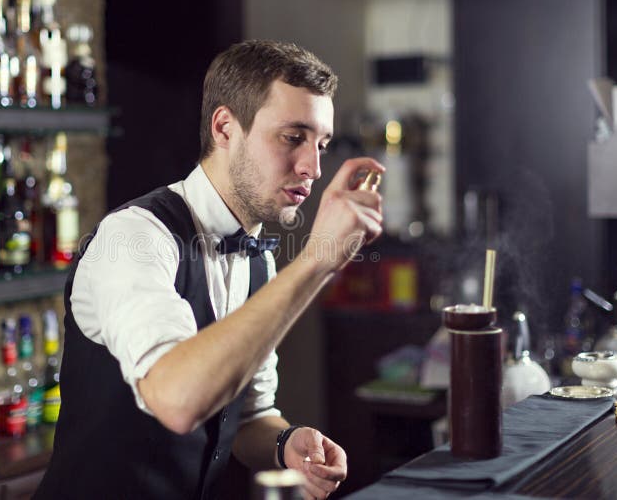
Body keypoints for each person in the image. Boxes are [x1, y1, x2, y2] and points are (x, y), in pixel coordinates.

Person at [34, 40, 384, 500]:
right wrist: (318, 259)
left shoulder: (259, 258)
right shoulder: (133, 238)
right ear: (224, 127)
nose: (313, 167)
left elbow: (247, 417)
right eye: (293, 136)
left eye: (321, 144)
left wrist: (285, 443)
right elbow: (177, 402)